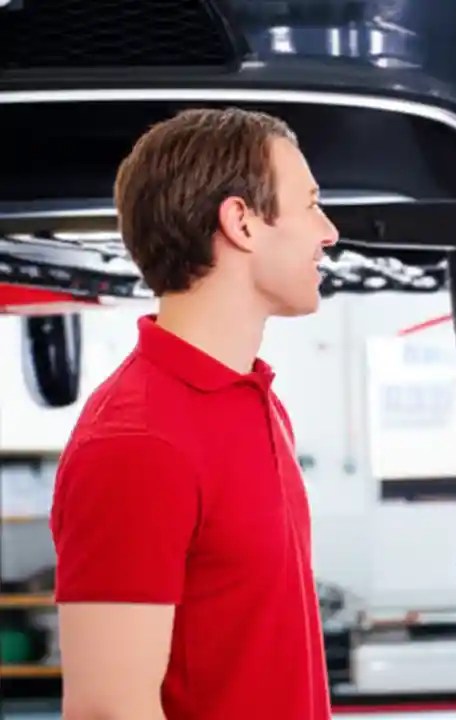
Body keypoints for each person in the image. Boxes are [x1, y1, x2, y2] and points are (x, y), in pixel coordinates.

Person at [50, 107, 337, 720]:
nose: (328, 231)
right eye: (311, 203)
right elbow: (108, 710)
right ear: (241, 222)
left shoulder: (256, 402)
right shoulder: (136, 442)